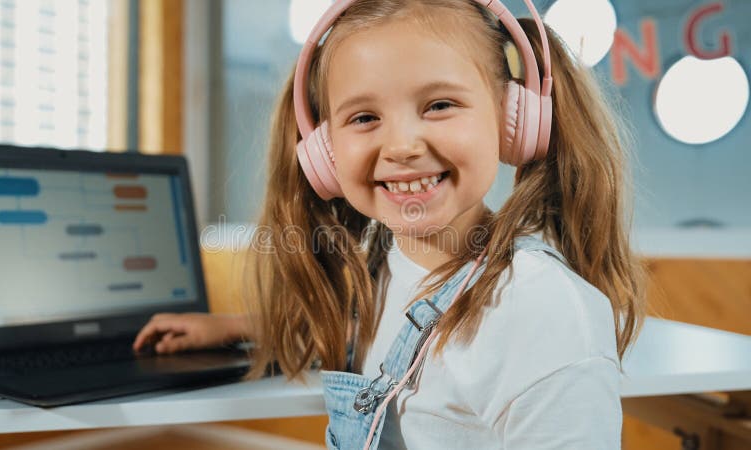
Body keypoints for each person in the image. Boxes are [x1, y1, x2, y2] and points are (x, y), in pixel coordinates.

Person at [133, 0, 647, 448]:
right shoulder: (386, 261)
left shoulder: (541, 311)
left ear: (512, 118)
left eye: (440, 105)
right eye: (363, 118)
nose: (402, 146)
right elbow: (379, 327)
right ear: (324, 151)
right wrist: (235, 329)